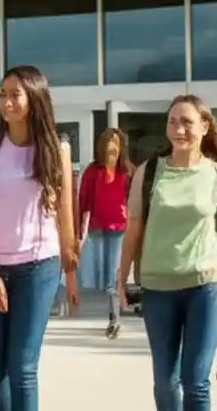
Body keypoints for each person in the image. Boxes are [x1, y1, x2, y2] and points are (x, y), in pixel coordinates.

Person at [0, 65, 79, 411]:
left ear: (34, 97)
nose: (7, 101)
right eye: (2, 93)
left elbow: (65, 215)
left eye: (15, 93)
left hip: (39, 267)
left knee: (22, 366)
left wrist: (71, 274)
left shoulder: (57, 147)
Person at [116, 95, 217, 411]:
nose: (179, 129)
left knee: (196, 382)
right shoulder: (149, 171)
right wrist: (121, 278)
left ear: (204, 127)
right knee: (165, 381)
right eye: (172, 121)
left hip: (204, 286)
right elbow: (134, 226)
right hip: (158, 288)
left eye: (187, 122)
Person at [77, 128, 133, 338]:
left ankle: (114, 318)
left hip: (120, 230)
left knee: (113, 275)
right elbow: (82, 201)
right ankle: (109, 311)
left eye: (116, 145)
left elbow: (135, 200)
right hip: (97, 229)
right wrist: (76, 232)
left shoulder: (127, 172)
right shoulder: (93, 171)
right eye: (109, 145)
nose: (112, 149)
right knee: (97, 275)